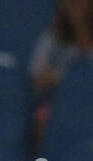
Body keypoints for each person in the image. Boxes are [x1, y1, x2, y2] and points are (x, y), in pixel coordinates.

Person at [30, 0, 93, 143]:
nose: (74, 4)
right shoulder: (51, 40)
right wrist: (68, 79)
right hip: (59, 108)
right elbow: (37, 79)